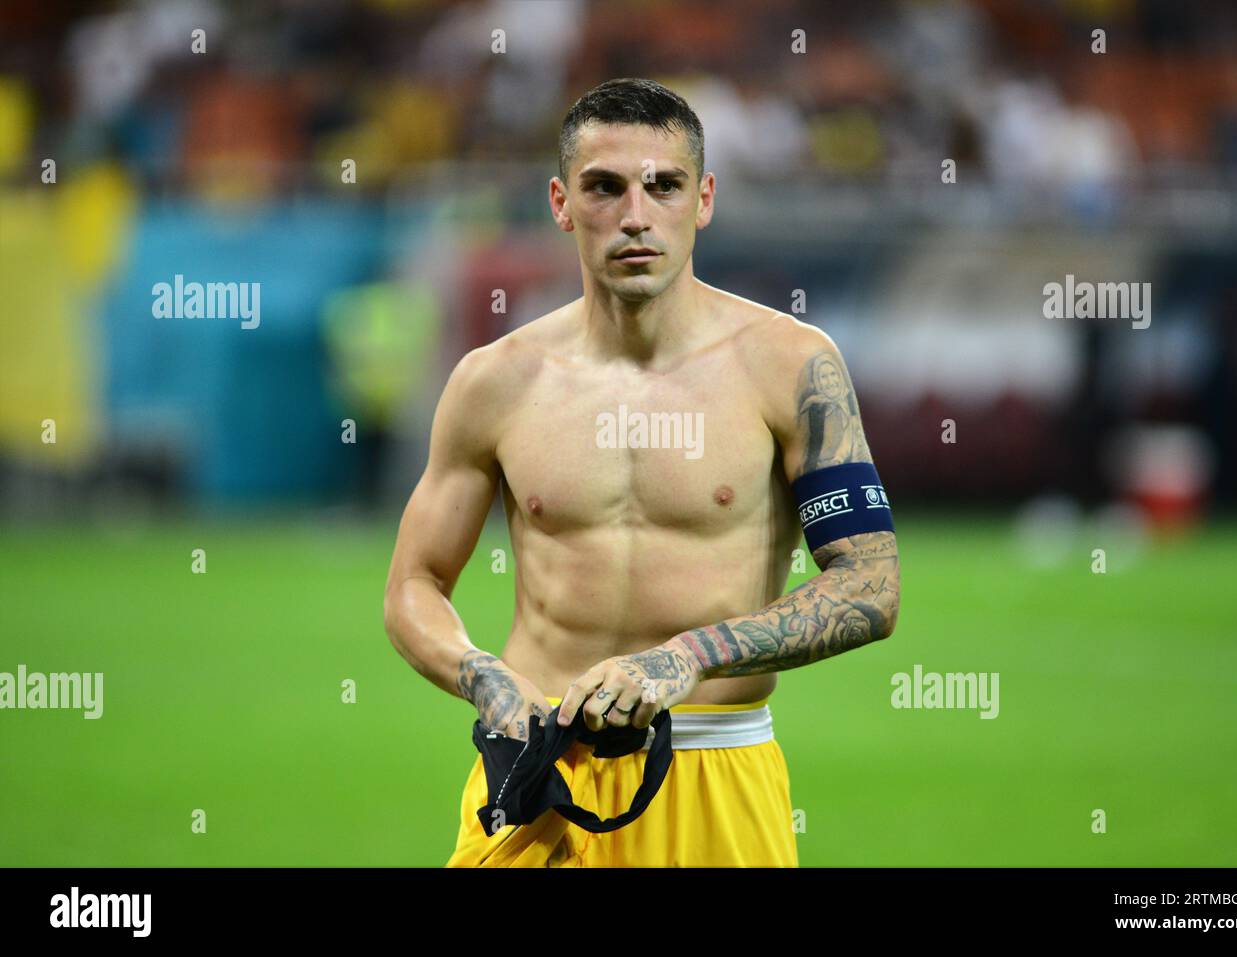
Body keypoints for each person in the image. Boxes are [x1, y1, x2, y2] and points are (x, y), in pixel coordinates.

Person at [382, 77, 901, 867]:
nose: (635, 215)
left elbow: (870, 585)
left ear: (705, 200)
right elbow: (414, 585)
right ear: (560, 202)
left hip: (716, 770)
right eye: (605, 187)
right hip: (540, 774)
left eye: (664, 186)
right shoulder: (495, 379)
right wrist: (482, 675)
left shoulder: (791, 365)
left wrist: (685, 656)